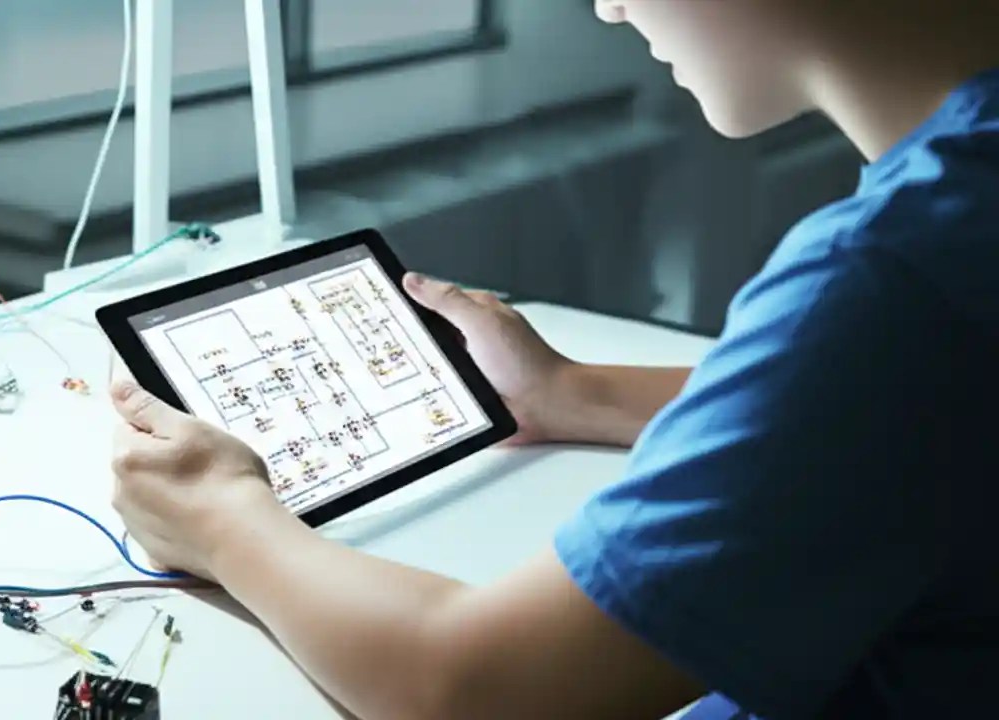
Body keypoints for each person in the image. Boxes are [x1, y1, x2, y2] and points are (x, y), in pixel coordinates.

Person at [108, 1, 999, 717]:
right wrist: (575, 391)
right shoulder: (960, 211)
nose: (608, 8)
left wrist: (222, 518)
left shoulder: (892, 275)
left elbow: (475, 688)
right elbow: (910, 415)